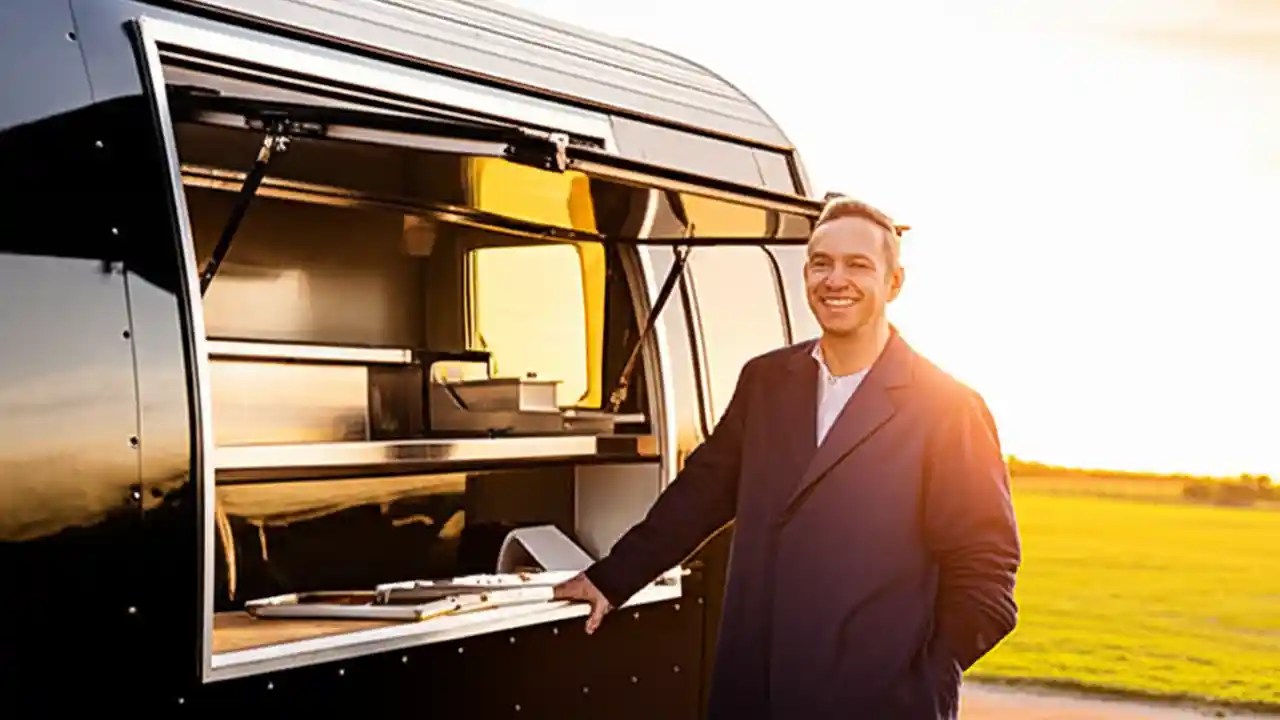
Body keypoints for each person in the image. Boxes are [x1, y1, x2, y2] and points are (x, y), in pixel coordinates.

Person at [554, 195, 1022, 719]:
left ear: (894, 283)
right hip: (753, 694)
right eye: (821, 263)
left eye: (857, 265)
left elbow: (987, 576)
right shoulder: (766, 381)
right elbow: (701, 493)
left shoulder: (948, 407)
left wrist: (918, 674)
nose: (835, 279)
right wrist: (611, 578)